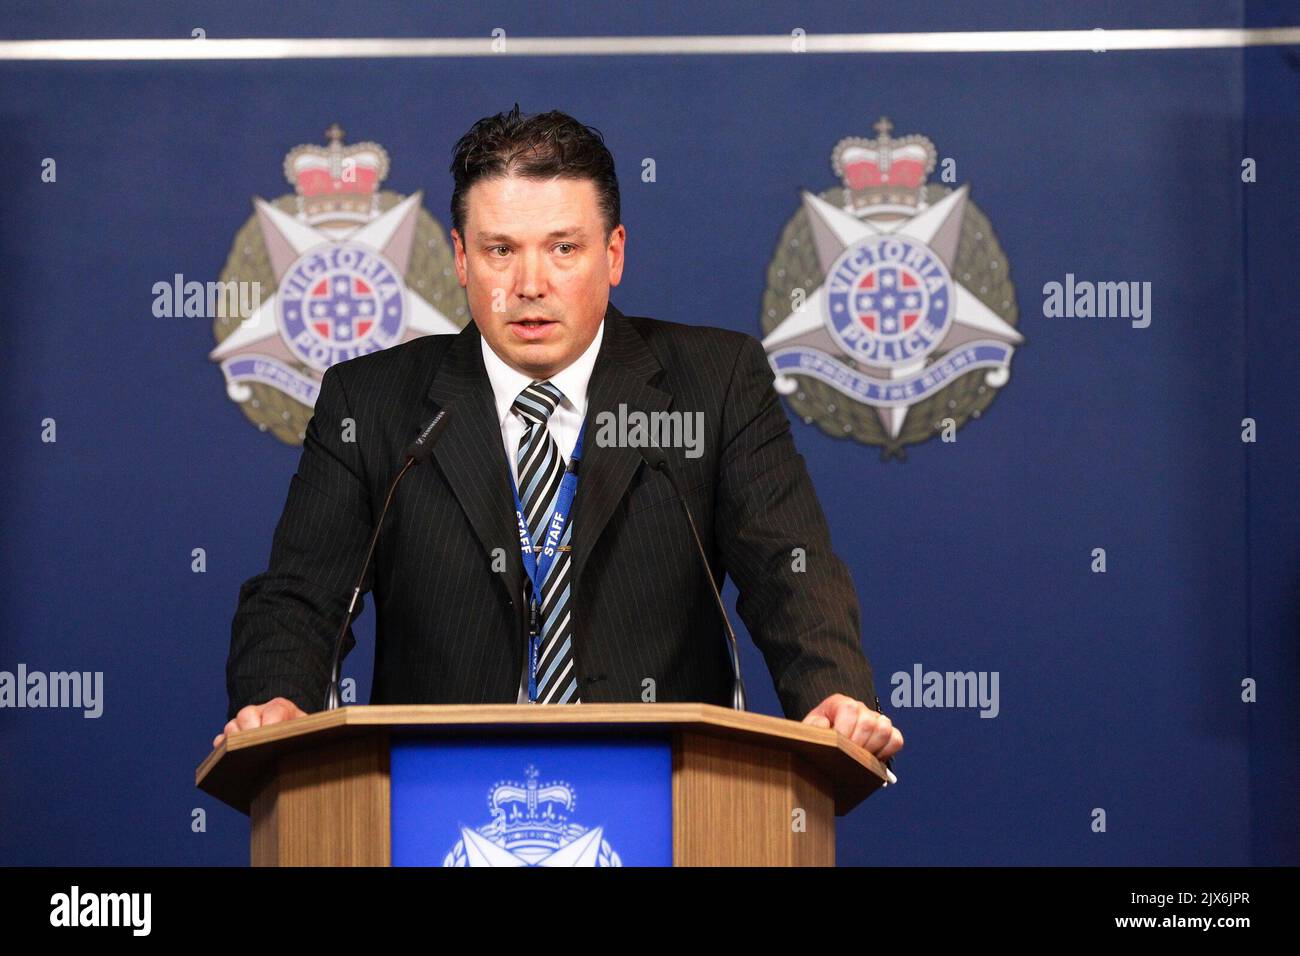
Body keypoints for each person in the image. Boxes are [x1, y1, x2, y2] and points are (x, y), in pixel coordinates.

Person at [214, 105, 903, 763]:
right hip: (440, 793)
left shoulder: (715, 382)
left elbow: (790, 570)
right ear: (460, 259)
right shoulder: (372, 402)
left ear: (614, 254)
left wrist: (832, 693)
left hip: (668, 791)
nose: (529, 283)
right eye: (500, 250)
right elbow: (300, 596)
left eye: (563, 248)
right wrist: (281, 699)